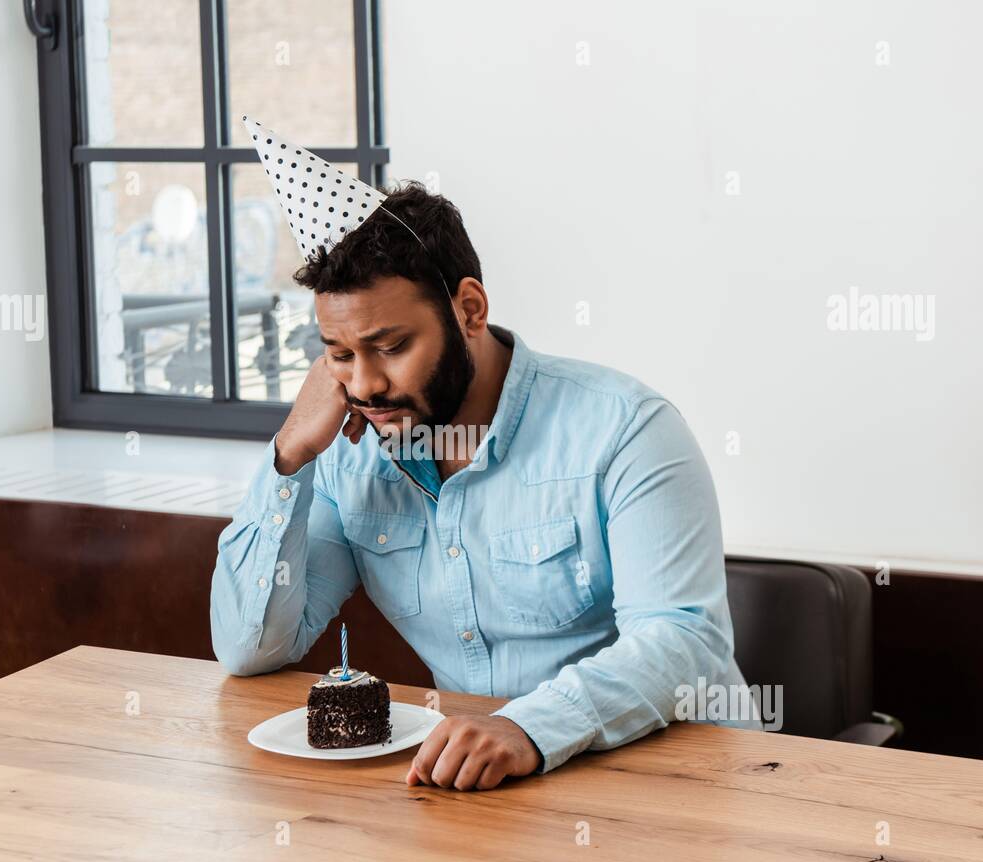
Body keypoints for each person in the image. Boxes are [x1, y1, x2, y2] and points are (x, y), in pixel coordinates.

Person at [211, 177, 760, 792]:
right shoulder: (347, 455)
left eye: (390, 346)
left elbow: (682, 641)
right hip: (489, 795)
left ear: (469, 309)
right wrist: (289, 456)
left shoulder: (625, 429)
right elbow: (249, 648)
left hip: (681, 785)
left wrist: (529, 727)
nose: (364, 385)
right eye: (338, 354)